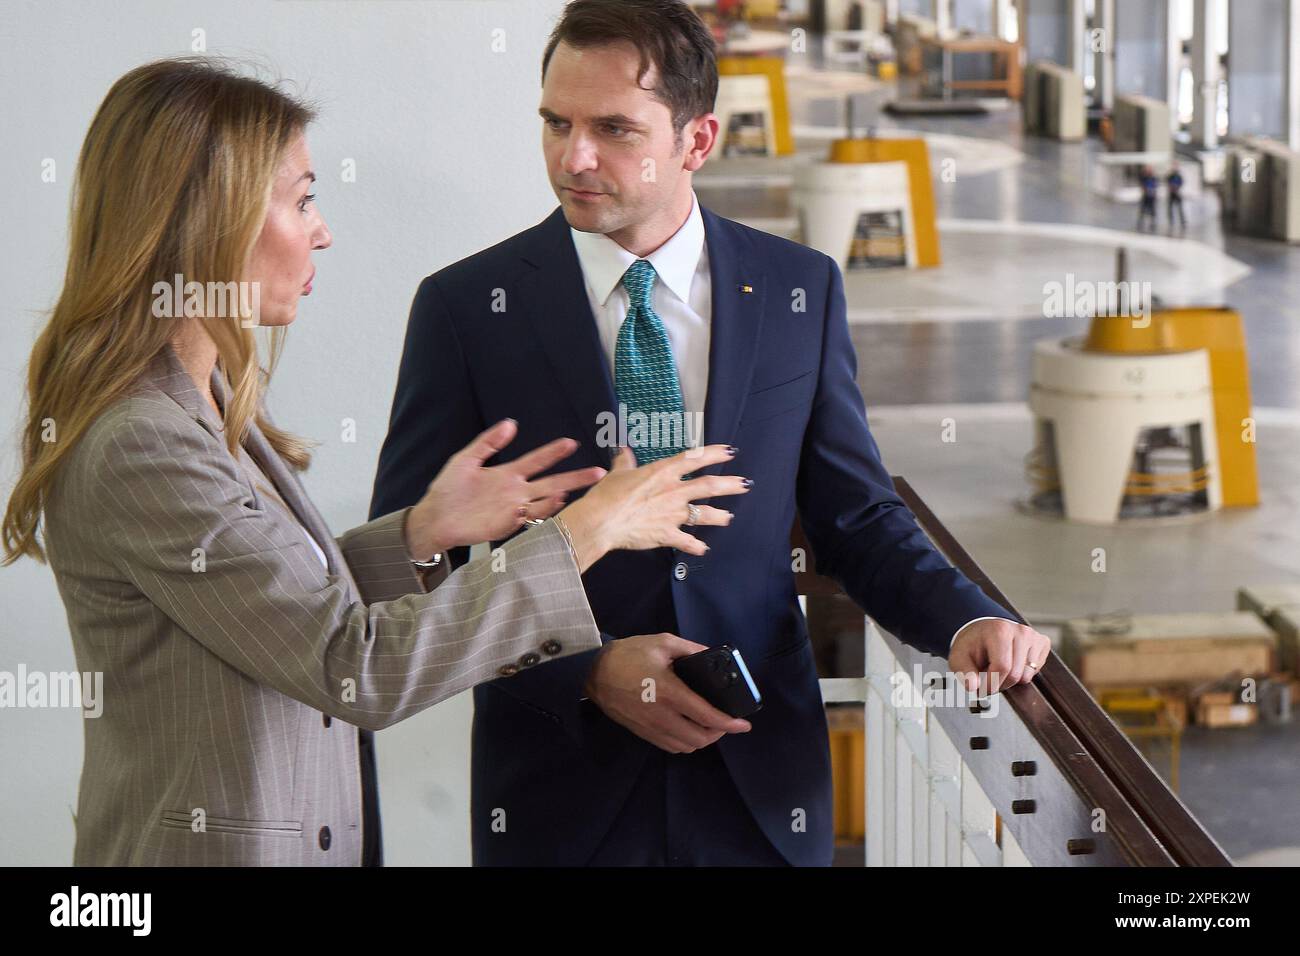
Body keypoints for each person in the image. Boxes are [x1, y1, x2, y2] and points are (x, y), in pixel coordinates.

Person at [0, 57, 749, 866]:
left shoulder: (201, 394)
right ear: (210, 219)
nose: (322, 230)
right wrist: (583, 534)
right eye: (302, 199)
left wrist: (418, 536)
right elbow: (351, 664)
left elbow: (276, 610)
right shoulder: (144, 440)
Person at [370, 0, 1051, 866]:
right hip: (558, 791)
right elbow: (412, 570)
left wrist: (965, 620)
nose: (573, 157)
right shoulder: (467, 309)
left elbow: (854, 512)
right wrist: (581, 667)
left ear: (697, 141)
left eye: (614, 129)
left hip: (759, 780)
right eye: (556, 123)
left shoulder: (799, 289)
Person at [1137, 164, 1159, 232]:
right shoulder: (1144, 177)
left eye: (1150, 169)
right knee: (1143, 209)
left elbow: (1155, 185)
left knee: (1152, 210)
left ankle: (1152, 222)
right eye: (1148, 170)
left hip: (1151, 196)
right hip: (1145, 196)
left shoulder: (1153, 178)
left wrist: (1152, 192)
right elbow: (1141, 183)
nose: (1149, 171)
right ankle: (1140, 222)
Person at [1166, 163, 1186, 233]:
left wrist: (1177, 187)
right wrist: (1172, 188)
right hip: (1171, 194)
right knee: (1170, 208)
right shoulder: (1170, 175)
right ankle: (1171, 221)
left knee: (1180, 208)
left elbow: (1181, 182)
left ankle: (1182, 221)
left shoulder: (1178, 176)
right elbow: (1167, 182)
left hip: (1177, 193)